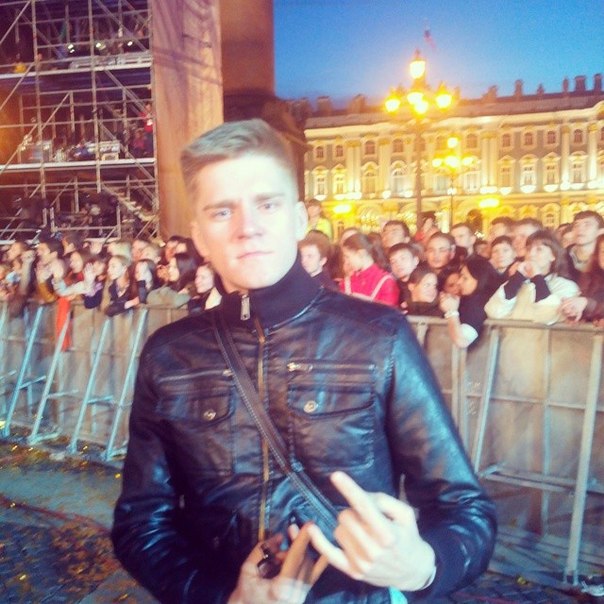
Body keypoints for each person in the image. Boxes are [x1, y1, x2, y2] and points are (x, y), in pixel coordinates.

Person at [112, 119, 496, 604]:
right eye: (222, 211)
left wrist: (424, 565)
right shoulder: (169, 354)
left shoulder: (378, 337)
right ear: (199, 237)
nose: (247, 227)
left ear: (298, 220)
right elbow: (141, 521)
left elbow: (465, 508)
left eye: (266, 204)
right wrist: (223, 597)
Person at [485, 229, 579, 324]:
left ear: (553, 255)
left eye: (539, 249)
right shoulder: (517, 282)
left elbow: (547, 316)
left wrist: (537, 278)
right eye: (528, 249)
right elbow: (493, 312)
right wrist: (516, 280)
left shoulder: (565, 286)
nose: (531, 254)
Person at [439, 256, 500, 349]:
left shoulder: (478, 303)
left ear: (480, 279)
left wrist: (451, 312)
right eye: (460, 276)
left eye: (465, 278)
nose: (459, 282)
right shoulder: (470, 300)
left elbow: (462, 341)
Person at [339, 233, 398, 307]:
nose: (347, 262)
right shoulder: (347, 282)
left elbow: (388, 312)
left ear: (360, 253)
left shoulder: (386, 282)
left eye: (347, 257)